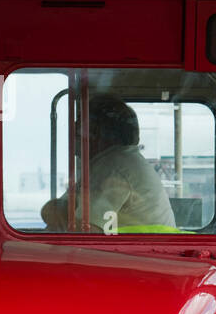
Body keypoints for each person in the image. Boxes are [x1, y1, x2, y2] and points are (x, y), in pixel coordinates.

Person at [41, 95, 176, 233]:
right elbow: (51, 211)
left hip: (136, 253)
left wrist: (61, 214)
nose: (73, 127)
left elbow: (84, 232)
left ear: (95, 132)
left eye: (80, 123)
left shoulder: (113, 167)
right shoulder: (111, 163)